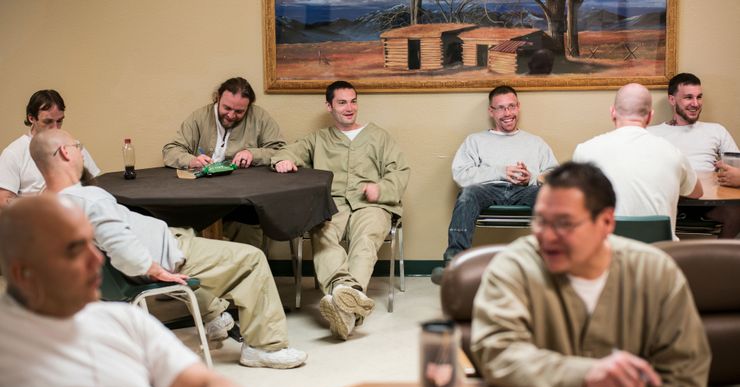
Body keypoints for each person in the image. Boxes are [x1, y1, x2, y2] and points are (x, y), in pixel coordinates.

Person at [0, 194, 286, 387]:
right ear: (24, 274)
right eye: (75, 249)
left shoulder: (125, 322)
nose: (97, 258)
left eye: (92, 241)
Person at [31, 129, 306, 369]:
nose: (81, 153)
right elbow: (119, 244)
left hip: (157, 248)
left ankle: (214, 316)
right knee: (251, 258)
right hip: (165, 254)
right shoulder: (87, 198)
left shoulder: (48, 204)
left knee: (203, 237)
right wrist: (154, 270)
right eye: (78, 147)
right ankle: (265, 347)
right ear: (66, 153)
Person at [471, 162, 710, 387]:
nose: (548, 236)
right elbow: (498, 354)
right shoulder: (515, 267)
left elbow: (685, 376)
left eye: (565, 224)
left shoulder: (655, 272)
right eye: (540, 221)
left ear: (606, 221)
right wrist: (585, 376)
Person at [271, 81, 410, 340]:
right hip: (332, 205)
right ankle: (347, 295)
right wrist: (284, 160)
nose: (350, 108)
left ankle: (344, 303)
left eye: (353, 101)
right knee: (322, 234)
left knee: (366, 238)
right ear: (329, 106)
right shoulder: (318, 139)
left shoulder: (379, 136)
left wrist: (381, 188)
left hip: (372, 205)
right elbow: (286, 151)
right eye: (342, 102)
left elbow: (400, 171)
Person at [431, 85, 558, 284]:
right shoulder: (475, 141)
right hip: (487, 191)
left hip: (527, 190)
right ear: (491, 111)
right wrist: (501, 172)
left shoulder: (536, 143)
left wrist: (530, 178)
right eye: (500, 108)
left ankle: (557, 261)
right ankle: (454, 264)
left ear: (518, 107)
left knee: (553, 199)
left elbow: (554, 177)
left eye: (511, 107)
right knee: (467, 195)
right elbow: (461, 174)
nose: (507, 113)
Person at [162, 77, 288, 247]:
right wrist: (192, 160)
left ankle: (246, 268)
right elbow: (170, 150)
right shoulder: (199, 117)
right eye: (226, 108)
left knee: (249, 229)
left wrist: (253, 153)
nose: (231, 115)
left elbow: (280, 150)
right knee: (184, 229)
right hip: (201, 197)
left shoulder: (260, 117)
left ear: (248, 107)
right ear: (217, 98)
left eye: (239, 111)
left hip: (241, 198)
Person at [573, 83, 702, 240]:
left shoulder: (585, 151)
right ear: (650, 116)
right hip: (658, 256)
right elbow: (697, 192)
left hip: (605, 254)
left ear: (612, 112)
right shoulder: (673, 152)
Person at [647, 72, 740, 238]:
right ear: (672, 100)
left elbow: (737, 167)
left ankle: (719, 260)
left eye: (699, 97)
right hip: (668, 203)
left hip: (710, 205)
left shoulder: (716, 130)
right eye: (688, 97)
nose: (695, 104)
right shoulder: (651, 133)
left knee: (737, 210)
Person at [0, 89, 100, 207]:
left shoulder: (74, 146)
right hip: (38, 220)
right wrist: (42, 202)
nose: (55, 128)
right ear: (31, 118)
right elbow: (3, 200)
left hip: (78, 213)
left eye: (59, 121)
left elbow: (94, 186)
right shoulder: (14, 153)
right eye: (48, 121)